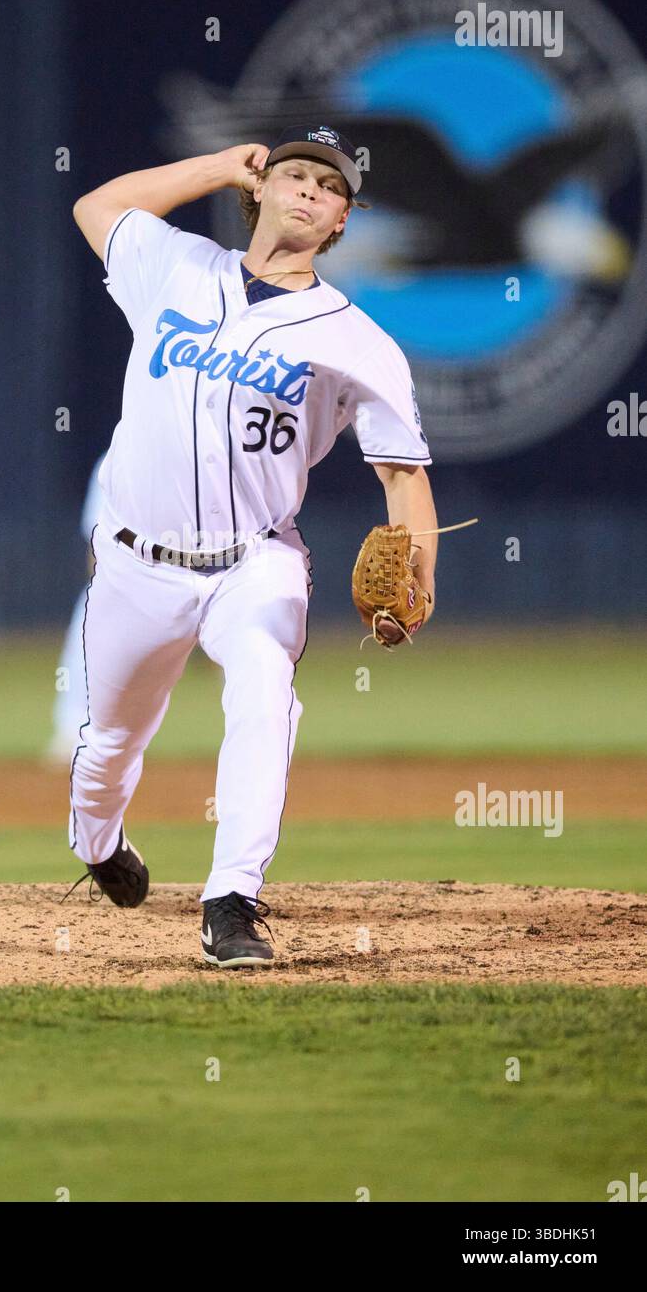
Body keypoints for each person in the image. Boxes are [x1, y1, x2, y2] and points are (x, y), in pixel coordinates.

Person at [68, 125, 438, 968]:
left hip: (256, 560)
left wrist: (421, 583)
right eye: (296, 174)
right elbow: (96, 207)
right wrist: (208, 165)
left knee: (266, 698)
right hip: (135, 560)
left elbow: (404, 477)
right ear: (261, 188)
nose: (311, 190)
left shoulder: (360, 343)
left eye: (331, 187)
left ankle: (229, 902)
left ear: (344, 221)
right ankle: (96, 842)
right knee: (109, 747)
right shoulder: (176, 267)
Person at [43, 453, 107, 767]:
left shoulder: (212, 456)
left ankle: (265, 740)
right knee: (92, 603)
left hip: (211, 574)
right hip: (138, 582)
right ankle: (73, 730)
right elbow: (97, 551)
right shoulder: (116, 461)